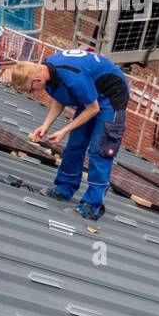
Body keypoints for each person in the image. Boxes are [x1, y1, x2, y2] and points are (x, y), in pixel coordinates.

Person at [9, 50, 130, 221]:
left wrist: (64, 130)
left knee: (99, 150)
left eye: (30, 90)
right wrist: (45, 125)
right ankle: (64, 189)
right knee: (76, 143)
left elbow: (93, 109)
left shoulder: (73, 77)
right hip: (92, 93)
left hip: (111, 96)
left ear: (37, 80)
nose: (32, 93)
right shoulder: (46, 70)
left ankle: (92, 206)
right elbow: (61, 97)